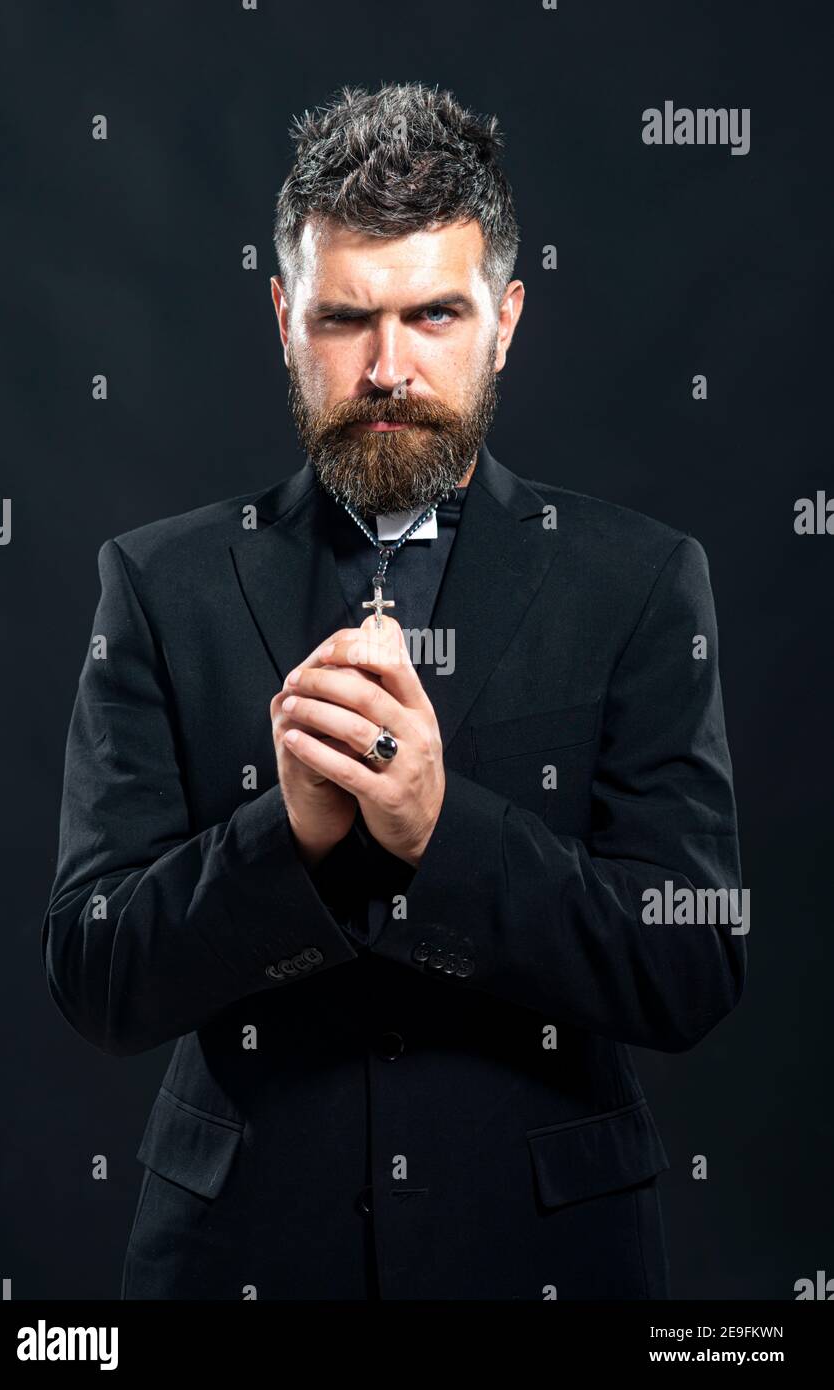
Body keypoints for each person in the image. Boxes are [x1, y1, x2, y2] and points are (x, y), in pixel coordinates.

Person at [42, 82, 746, 1301]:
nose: (387, 368)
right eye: (344, 319)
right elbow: (96, 973)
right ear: (281, 317)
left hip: (545, 1256)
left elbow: (689, 969)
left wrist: (441, 833)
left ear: (507, 317)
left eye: (434, 313)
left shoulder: (639, 584)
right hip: (236, 1259)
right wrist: (288, 837)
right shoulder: (156, 586)